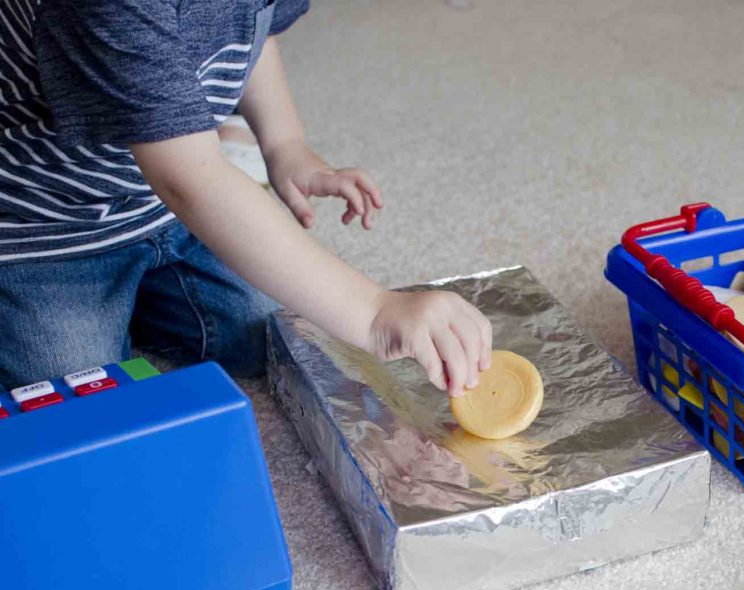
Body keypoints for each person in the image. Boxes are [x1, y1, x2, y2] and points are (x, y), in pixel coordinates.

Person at [0, 0, 491, 396]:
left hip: (170, 199)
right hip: (47, 226)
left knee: (273, 334)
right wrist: (376, 313)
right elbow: (192, 182)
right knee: (80, 398)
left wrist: (285, 144)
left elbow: (251, 26)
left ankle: (140, 291)